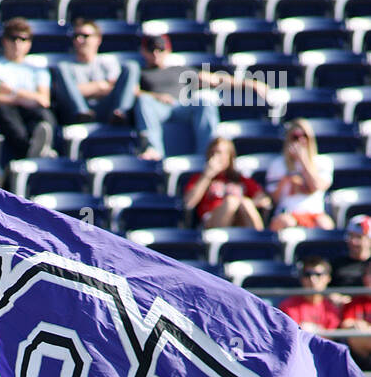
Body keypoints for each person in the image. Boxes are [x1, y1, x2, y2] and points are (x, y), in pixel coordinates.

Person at [135, 34, 271, 161]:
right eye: (151, 49)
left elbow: (216, 80)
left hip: (182, 106)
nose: (156, 53)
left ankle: (209, 154)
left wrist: (252, 84)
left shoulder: (180, 70)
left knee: (204, 99)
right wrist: (156, 96)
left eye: (160, 49)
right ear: (143, 51)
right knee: (144, 100)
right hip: (157, 108)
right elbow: (131, 92)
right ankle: (153, 149)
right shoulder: (140, 73)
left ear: (168, 50)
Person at [0, 17, 59, 166]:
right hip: (4, 112)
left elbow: (44, 101)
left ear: (29, 43)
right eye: (12, 38)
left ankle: (42, 151)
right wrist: (21, 98)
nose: (17, 43)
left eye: (23, 39)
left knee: (44, 115)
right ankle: (31, 154)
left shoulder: (37, 67)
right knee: (3, 112)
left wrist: (13, 91)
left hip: (29, 111)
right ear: (4, 41)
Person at [54, 18, 140, 126]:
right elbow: (64, 94)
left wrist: (81, 89)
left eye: (85, 36)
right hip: (75, 115)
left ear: (98, 39)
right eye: (76, 36)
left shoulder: (108, 60)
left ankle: (121, 114)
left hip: (107, 110)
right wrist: (100, 86)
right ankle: (83, 113)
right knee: (61, 67)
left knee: (132, 66)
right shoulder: (66, 67)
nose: (80, 40)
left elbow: (127, 89)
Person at [183, 136, 271, 229]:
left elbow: (265, 200)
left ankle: (258, 240)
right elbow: (188, 202)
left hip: (239, 221)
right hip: (211, 222)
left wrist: (245, 203)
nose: (215, 157)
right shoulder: (200, 178)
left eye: (219, 153)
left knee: (246, 203)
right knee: (231, 201)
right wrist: (207, 176)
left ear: (229, 157)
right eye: (212, 153)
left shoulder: (241, 179)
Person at [265, 120, 334, 232]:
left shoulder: (323, 162)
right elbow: (274, 199)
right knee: (286, 222)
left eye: (305, 136)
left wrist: (303, 161)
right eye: (295, 137)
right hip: (288, 213)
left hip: (315, 214)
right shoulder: (278, 164)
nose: (301, 140)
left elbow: (317, 186)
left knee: (326, 225)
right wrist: (286, 180)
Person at [278, 258, 342, 335]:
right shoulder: (288, 305)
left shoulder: (333, 307)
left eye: (318, 274)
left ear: (328, 278)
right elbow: (293, 337)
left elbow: (330, 339)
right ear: (302, 279)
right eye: (307, 275)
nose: (312, 279)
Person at [336, 259, 371, 369]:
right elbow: (346, 324)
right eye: (365, 273)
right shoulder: (355, 301)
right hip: (360, 357)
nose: (367, 277)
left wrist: (366, 328)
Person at [330, 214, 371, 290]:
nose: (353, 241)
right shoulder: (336, 264)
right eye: (350, 236)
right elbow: (325, 289)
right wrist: (333, 296)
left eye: (359, 237)